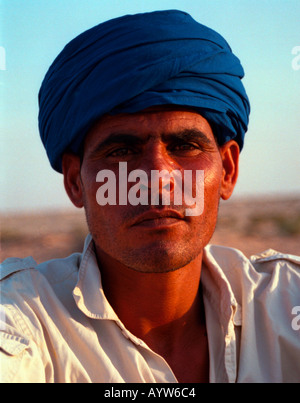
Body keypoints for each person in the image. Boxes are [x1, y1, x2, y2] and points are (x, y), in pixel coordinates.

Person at [0, 10, 299, 384]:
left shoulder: (287, 305)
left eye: (185, 145)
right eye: (121, 151)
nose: (157, 178)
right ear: (76, 182)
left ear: (228, 170)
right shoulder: (21, 322)